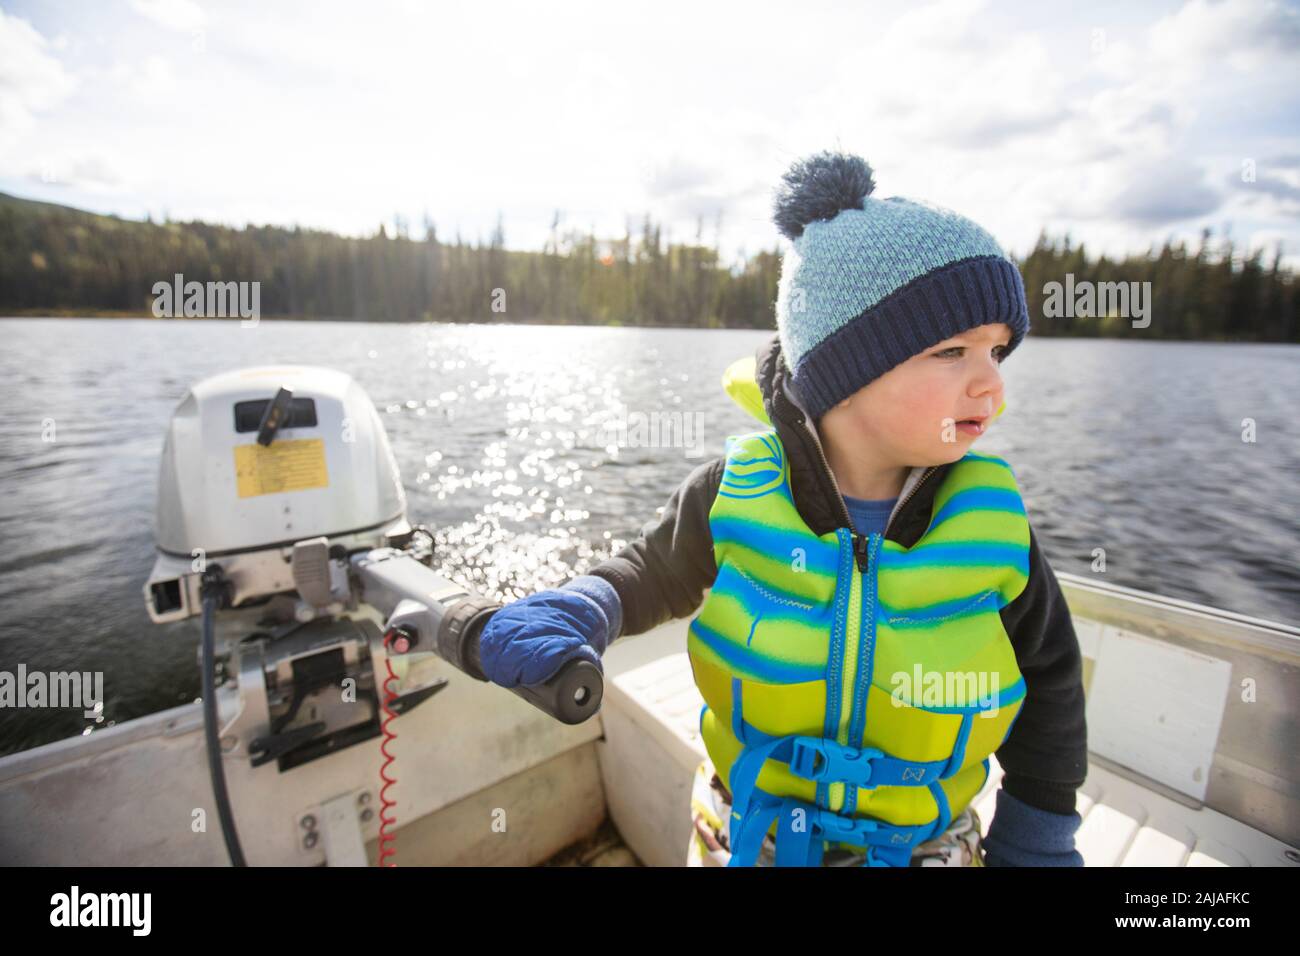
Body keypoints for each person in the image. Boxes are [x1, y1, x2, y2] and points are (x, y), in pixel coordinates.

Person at [479, 150, 1087, 867]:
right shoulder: (736, 490)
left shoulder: (992, 525)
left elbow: (1050, 679)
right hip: (752, 835)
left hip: (923, 845)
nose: (992, 386)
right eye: (954, 352)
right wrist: (580, 608)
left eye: (998, 351)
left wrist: (1039, 835)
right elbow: (651, 571)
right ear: (845, 373)